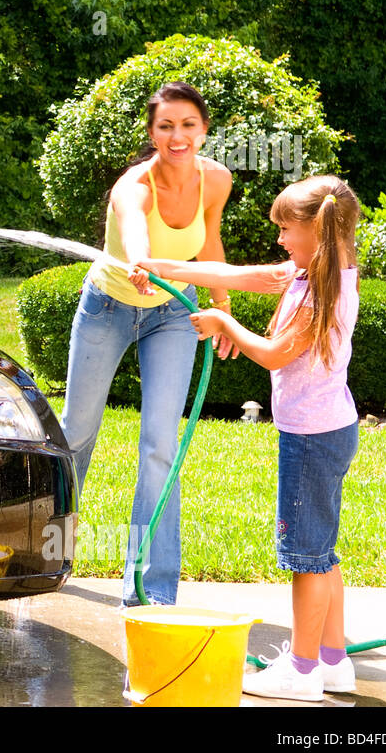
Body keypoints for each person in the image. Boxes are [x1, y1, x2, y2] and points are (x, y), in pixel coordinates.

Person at [140, 175, 361, 701]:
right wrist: (158, 266)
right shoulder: (322, 274)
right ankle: (332, 662)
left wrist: (221, 321)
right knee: (322, 554)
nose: (280, 240)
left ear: (317, 230)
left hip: (311, 438)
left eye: (286, 229)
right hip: (330, 428)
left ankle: (302, 673)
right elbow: (230, 273)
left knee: (305, 558)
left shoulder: (316, 294)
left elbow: (273, 353)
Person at [60, 81, 236, 607]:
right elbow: (135, 228)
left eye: (188, 125)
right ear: (153, 133)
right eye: (166, 126)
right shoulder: (133, 186)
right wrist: (140, 261)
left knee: (161, 445)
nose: (177, 136)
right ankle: (46, 556)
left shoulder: (216, 179)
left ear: (204, 129)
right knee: (76, 433)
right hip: (108, 308)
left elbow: (209, 240)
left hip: (172, 315)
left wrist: (220, 305)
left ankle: (149, 589)